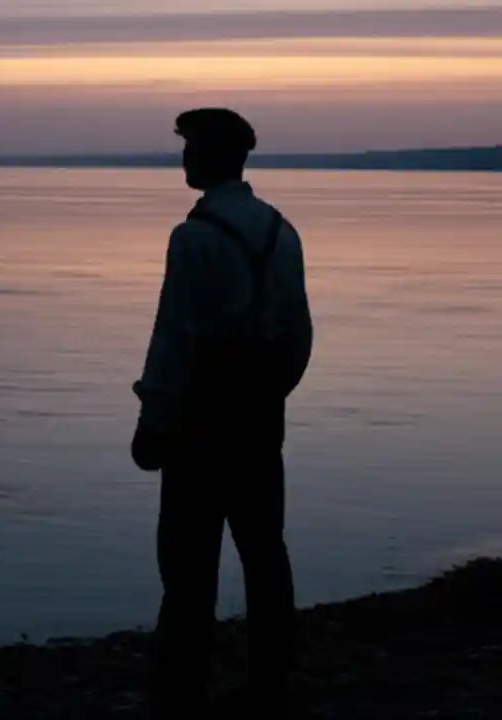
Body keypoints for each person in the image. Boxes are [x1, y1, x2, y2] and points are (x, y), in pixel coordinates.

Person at [132, 108, 313, 719]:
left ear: (211, 158)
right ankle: (271, 686)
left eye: (191, 149)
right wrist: (272, 394)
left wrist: (154, 420)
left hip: (200, 427)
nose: (183, 159)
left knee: (187, 567)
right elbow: (299, 335)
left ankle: (181, 691)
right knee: (265, 553)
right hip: (261, 422)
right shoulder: (281, 231)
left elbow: (174, 337)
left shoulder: (194, 238)